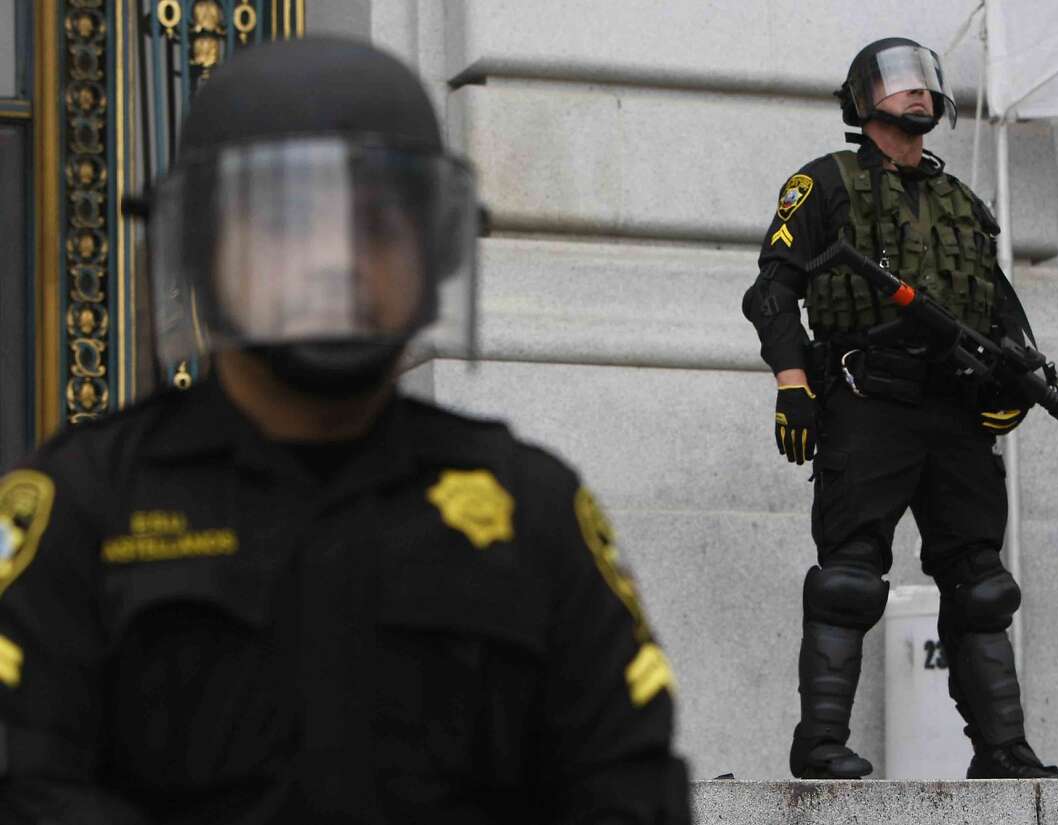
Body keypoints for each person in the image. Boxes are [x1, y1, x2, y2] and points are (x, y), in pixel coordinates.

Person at [0, 38, 690, 824]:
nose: (335, 260)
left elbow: (629, 792)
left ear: (433, 257)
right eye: (288, 223)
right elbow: (26, 787)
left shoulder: (531, 512)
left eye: (378, 226)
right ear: (203, 250)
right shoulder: (79, 509)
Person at [742, 37, 1058, 780]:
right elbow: (771, 292)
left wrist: (1017, 377)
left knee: (983, 582)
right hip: (867, 400)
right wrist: (793, 381)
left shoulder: (960, 201)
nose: (916, 93)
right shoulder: (822, 183)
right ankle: (820, 742)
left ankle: (1003, 749)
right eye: (897, 82)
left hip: (953, 411)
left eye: (924, 82)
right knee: (850, 575)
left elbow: (999, 306)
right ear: (863, 100)